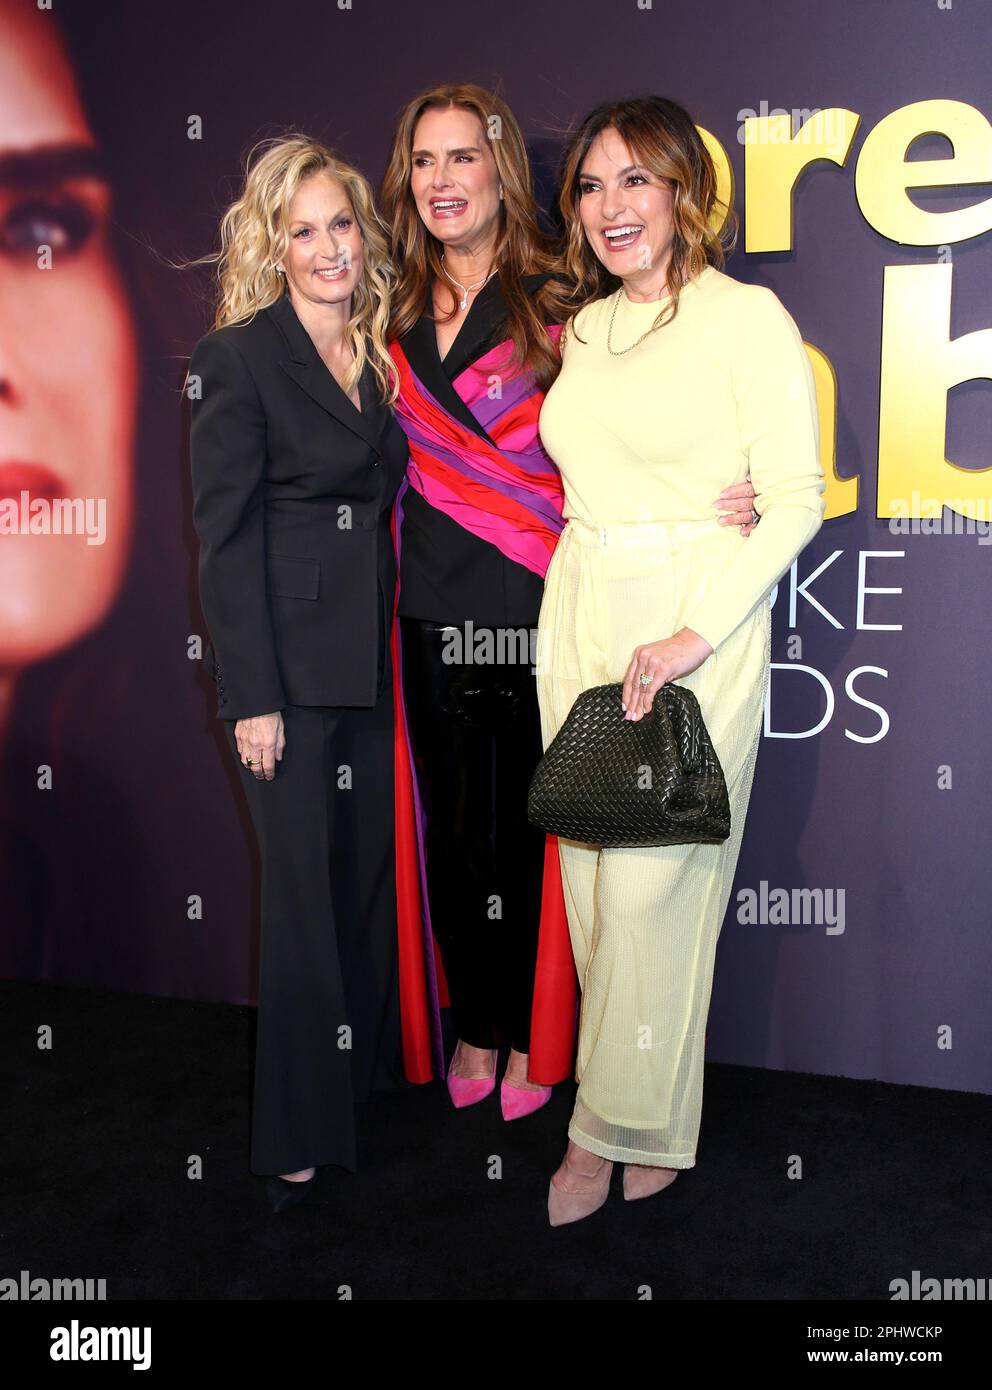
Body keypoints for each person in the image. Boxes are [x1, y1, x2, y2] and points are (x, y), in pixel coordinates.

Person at [379, 84, 764, 1119]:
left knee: (529, 830)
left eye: (463, 158)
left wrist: (740, 489)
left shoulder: (561, 303)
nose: (442, 180)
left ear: (500, 173)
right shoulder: (390, 304)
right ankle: (476, 1023)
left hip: (541, 601)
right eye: (424, 161)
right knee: (456, 829)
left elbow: (643, 428)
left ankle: (533, 1035)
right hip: (429, 605)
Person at [534, 96, 825, 1224]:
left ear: (682, 194)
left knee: (657, 888)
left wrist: (692, 628)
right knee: (596, 893)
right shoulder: (584, 328)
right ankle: (654, 1118)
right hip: (582, 609)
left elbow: (795, 500)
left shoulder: (743, 316)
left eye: (634, 182)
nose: (611, 208)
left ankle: (593, 1135)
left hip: (694, 620)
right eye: (592, 187)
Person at [187, 135, 409, 1212]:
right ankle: (292, 1131)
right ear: (272, 245)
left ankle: (351, 1081)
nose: (328, 247)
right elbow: (223, 541)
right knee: (302, 908)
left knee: (360, 888)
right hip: (286, 684)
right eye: (303, 229)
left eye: (341, 224)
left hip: (366, 668)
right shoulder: (238, 357)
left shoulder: (375, 353)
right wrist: (252, 699)